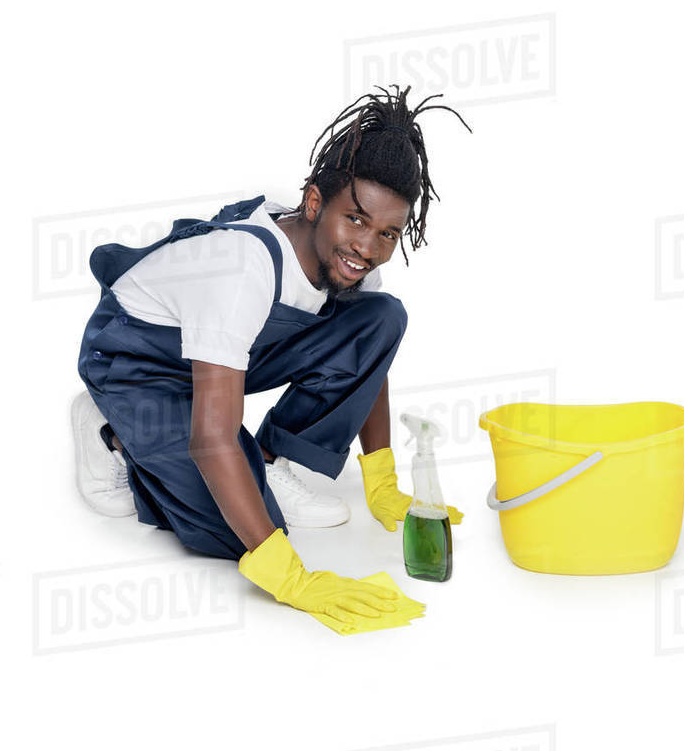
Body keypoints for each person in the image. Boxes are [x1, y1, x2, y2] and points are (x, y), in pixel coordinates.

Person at [69, 84, 469, 628]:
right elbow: (212, 438)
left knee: (381, 316)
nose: (368, 247)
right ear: (313, 202)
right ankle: (111, 431)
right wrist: (289, 577)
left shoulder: (351, 255)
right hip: (138, 362)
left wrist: (382, 479)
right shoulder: (242, 269)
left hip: (222, 349)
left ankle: (271, 461)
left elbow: (369, 354)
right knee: (233, 530)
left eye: (387, 233)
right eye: (356, 220)